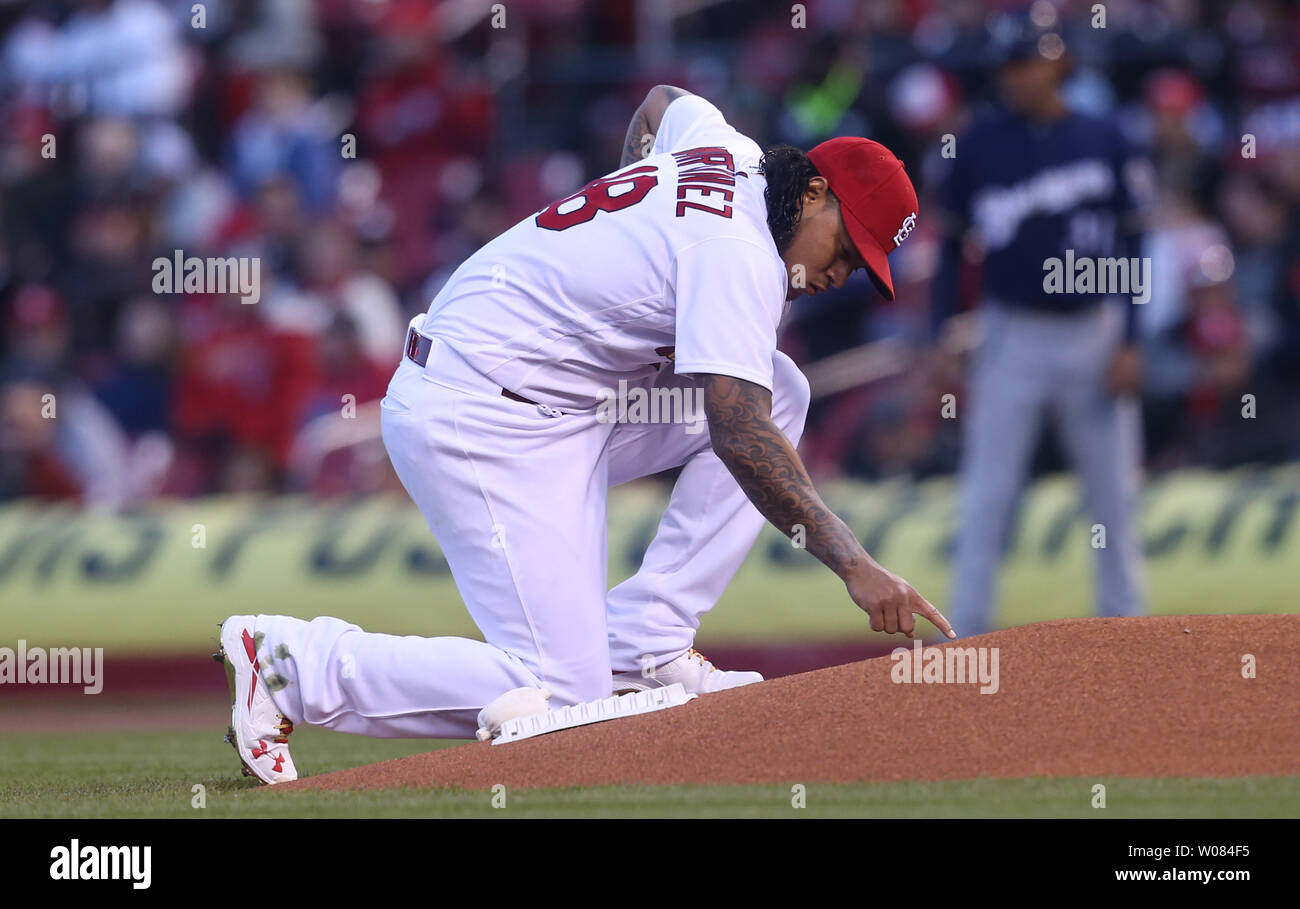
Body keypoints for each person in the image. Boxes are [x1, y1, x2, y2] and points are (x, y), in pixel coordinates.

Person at [216, 86, 953, 784]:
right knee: (568, 702)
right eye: (847, 249)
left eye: (863, 266)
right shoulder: (740, 254)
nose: (842, 273)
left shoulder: (730, 149)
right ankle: (291, 663)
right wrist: (854, 564)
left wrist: (635, 217)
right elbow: (737, 433)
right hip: (478, 413)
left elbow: (663, 102)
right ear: (815, 192)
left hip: (566, 402)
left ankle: (647, 641)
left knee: (781, 385)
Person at [931, 20, 1151, 638]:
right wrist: (941, 331)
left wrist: (1132, 337)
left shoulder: (1106, 137)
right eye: (1013, 65)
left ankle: (1129, 629)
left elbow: (1138, 238)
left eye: (1033, 62)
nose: (1022, 74)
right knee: (988, 493)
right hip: (1012, 333)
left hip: (1095, 328)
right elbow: (951, 250)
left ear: (1060, 65)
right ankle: (965, 630)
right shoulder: (978, 144)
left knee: (1113, 497)